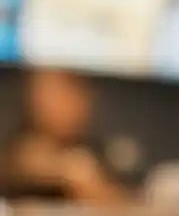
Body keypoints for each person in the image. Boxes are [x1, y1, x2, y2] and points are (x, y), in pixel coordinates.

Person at [1, 69, 126, 204]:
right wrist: (62, 169)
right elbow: (20, 163)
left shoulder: (93, 149)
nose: (58, 104)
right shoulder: (16, 143)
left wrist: (91, 186)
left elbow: (122, 206)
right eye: (50, 94)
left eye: (68, 94)